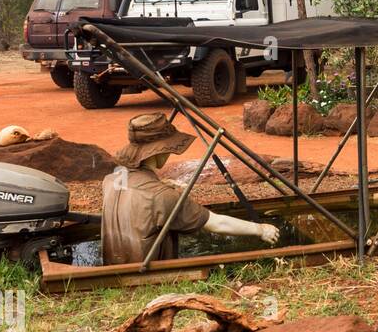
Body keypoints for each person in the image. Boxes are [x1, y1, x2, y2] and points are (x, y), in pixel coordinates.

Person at [102, 113, 279, 265]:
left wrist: (164, 184)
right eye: (168, 148)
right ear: (158, 150)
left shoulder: (112, 179)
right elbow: (217, 223)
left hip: (114, 267)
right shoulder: (163, 197)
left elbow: (138, 191)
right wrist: (260, 229)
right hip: (148, 275)